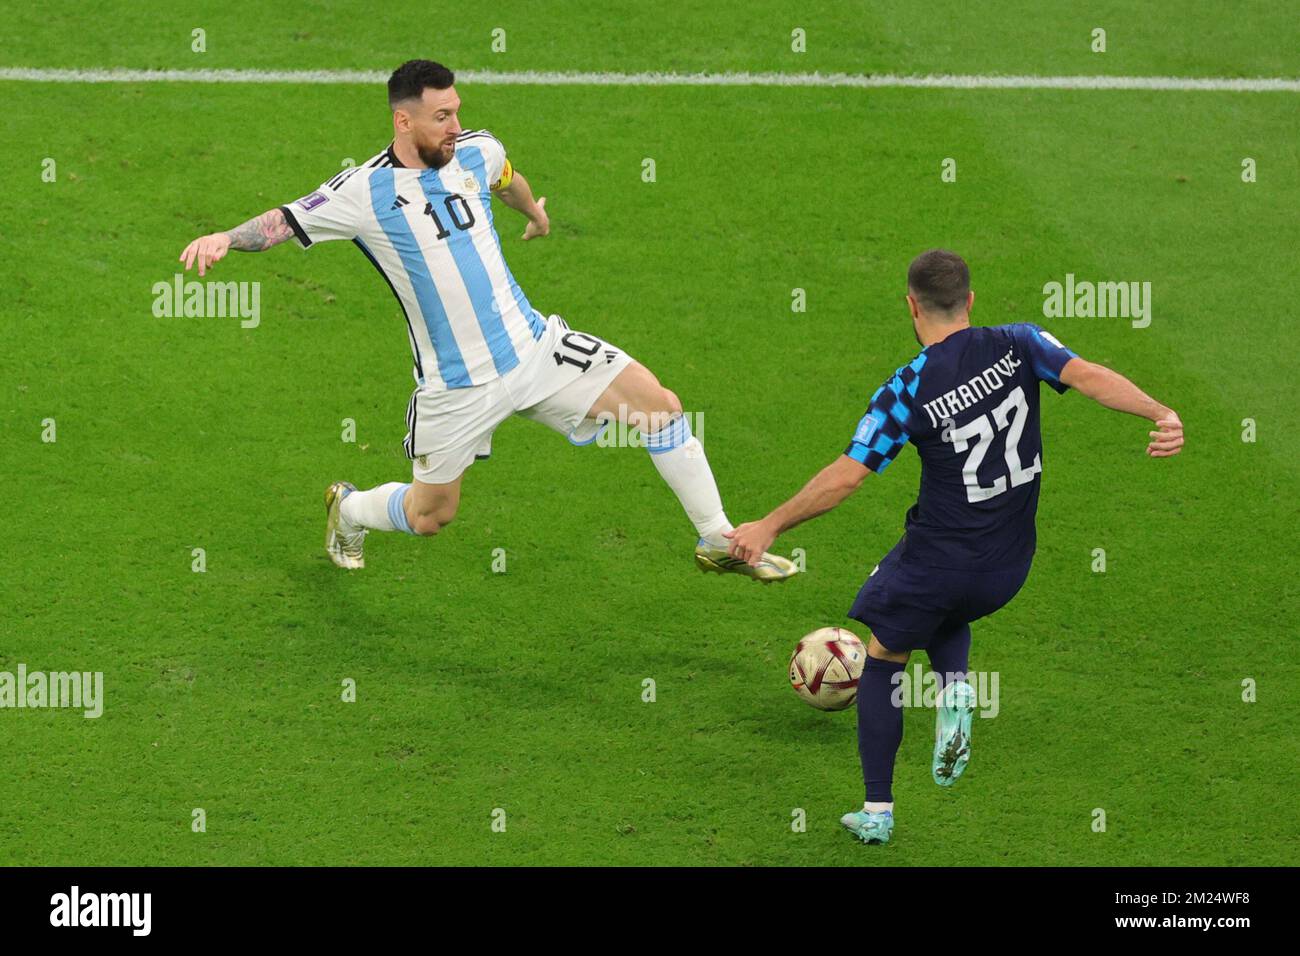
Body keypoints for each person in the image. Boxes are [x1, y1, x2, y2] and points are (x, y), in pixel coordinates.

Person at [178, 59, 798, 582]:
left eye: (457, 111)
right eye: (441, 116)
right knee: (430, 517)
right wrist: (225, 239)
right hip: (457, 384)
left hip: (535, 348)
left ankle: (717, 539)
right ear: (404, 120)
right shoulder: (362, 193)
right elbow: (282, 222)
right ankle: (350, 508)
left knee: (658, 405)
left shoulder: (476, 151)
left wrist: (535, 213)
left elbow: (507, 180)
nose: (454, 126)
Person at [725, 249, 1184, 844]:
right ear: (970, 300)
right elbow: (1091, 376)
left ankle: (877, 811)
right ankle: (955, 690)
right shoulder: (1021, 342)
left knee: (884, 656)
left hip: (941, 561)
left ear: (911, 306)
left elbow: (848, 475)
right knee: (943, 604)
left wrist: (769, 525)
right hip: (1010, 563)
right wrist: (1160, 411)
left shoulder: (906, 388)